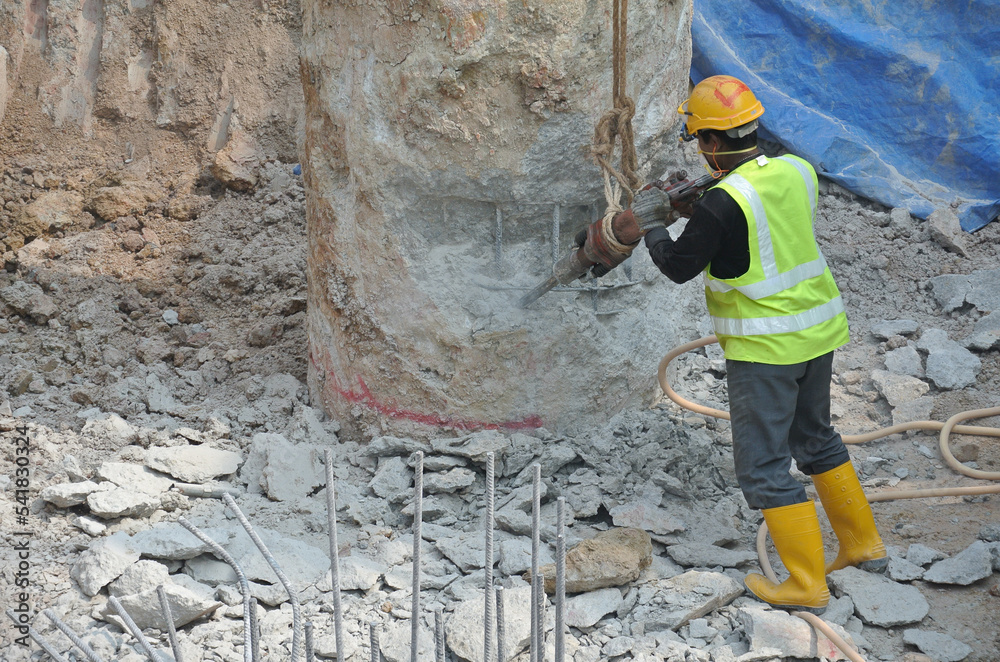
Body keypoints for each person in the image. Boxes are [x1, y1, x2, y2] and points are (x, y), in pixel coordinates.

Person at [628, 75, 886, 614]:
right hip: (817, 332)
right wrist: (700, 203)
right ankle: (863, 545)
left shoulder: (723, 202)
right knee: (815, 439)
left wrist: (654, 222)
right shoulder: (796, 169)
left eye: (699, 139)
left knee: (764, 467)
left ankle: (804, 584)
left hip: (766, 349)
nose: (700, 150)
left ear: (712, 142)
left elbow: (678, 265)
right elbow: (755, 216)